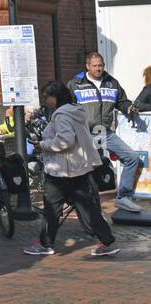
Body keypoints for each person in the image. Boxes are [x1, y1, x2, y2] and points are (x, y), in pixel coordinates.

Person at [25, 81, 120, 257]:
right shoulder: (75, 110)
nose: (45, 100)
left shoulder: (61, 115)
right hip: (80, 167)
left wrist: (44, 145)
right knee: (88, 208)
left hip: (62, 170)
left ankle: (45, 244)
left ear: (56, 97)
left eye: (47, 97)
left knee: (52, 208)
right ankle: (107, 242)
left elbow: (65, 141)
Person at [69, 52, 143, 213]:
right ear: (88, 66)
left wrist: (129, 108)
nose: (98, 69)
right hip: (85, 133)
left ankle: (124, 197)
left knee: (132, 158)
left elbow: (122, 101)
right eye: (95, 66)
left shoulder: (111, 82)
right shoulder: (76, 83)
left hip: (105, 132)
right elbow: (67, 107)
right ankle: (90, 206)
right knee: (89, 169)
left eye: (101, 65)